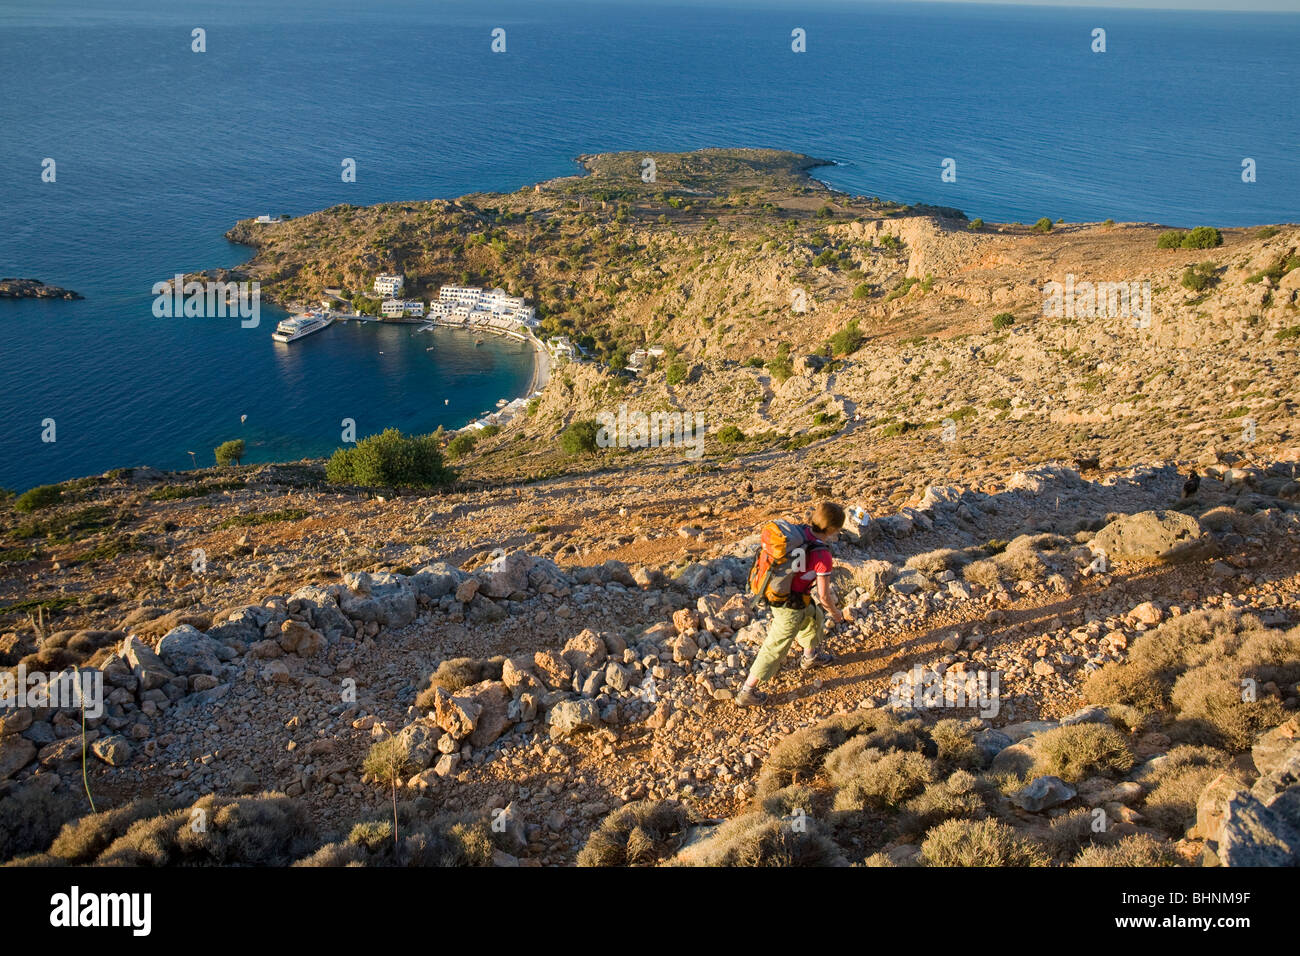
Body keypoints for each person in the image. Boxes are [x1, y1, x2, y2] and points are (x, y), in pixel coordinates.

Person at [736, 502, 846, 707]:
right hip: (788, 603)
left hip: (794, 597)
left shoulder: (801, 533)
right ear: (832, 530)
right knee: (776, 645)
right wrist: (836, 612)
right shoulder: (823, 555)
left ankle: (810, 657)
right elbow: (823, 596)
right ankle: (747, 691)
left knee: (814, 617)